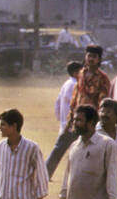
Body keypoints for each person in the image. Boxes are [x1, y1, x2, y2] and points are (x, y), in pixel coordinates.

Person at [46, 44, 111, 178]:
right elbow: (76, 95)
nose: (91, 59)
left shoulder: (103, 78)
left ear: (99, 59)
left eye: (94, 56)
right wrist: (71, 116)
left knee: (87, 152)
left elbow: (102, 102)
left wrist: (97, 122)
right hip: (76, 118)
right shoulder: (81, 73)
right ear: (85, 57)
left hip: (91, 121)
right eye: (89, 56)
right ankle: (44, 176)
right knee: (60, 146)